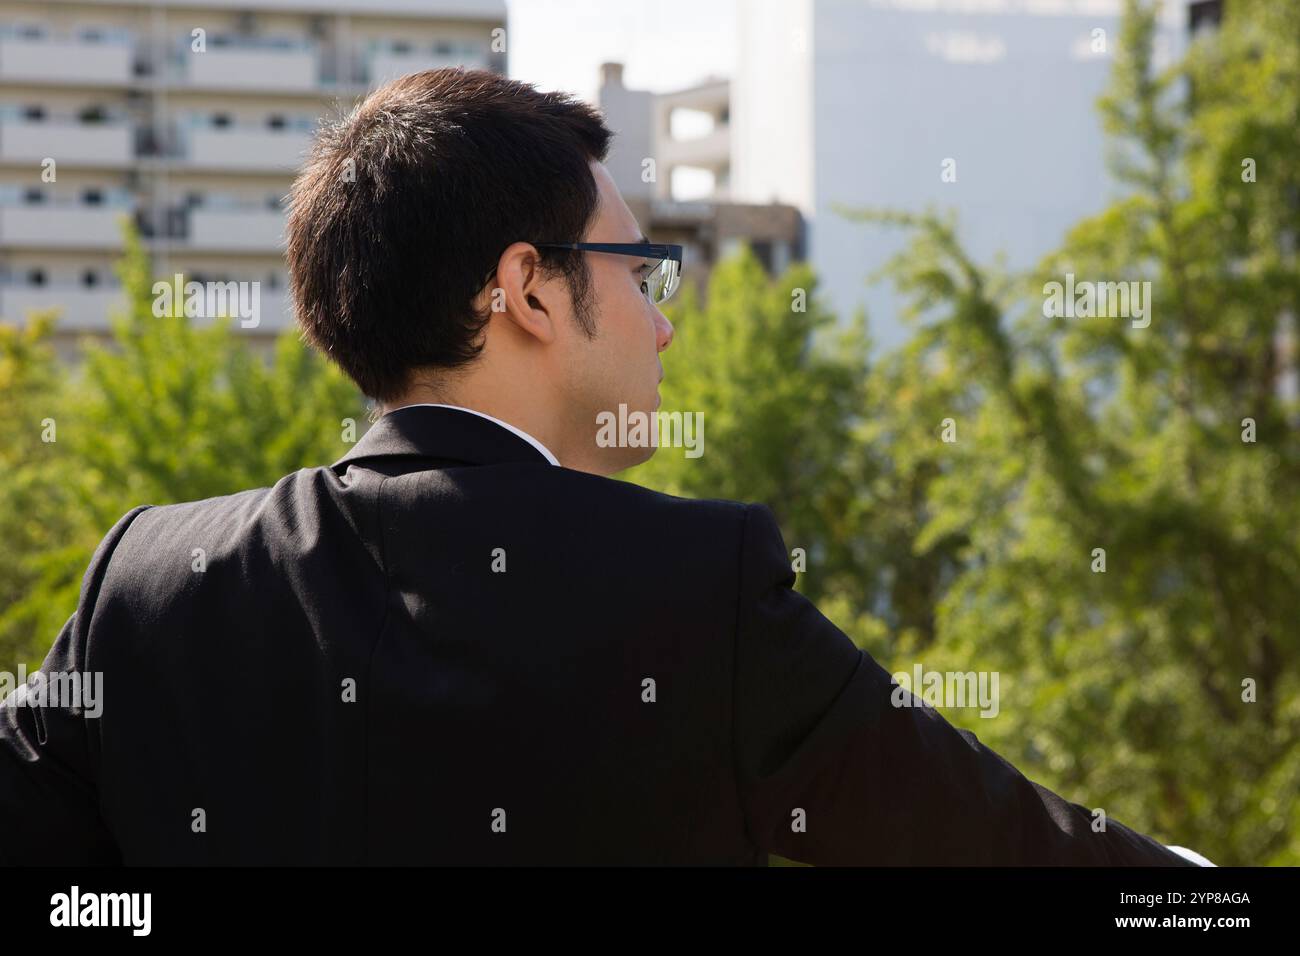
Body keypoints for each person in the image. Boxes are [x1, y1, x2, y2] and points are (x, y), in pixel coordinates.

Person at [0, 68, 1206, 865]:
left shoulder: (148, 584)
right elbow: (1005, 848)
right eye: (641, 269)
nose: (664, 319)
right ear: (526, 288)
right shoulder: (694, 586)